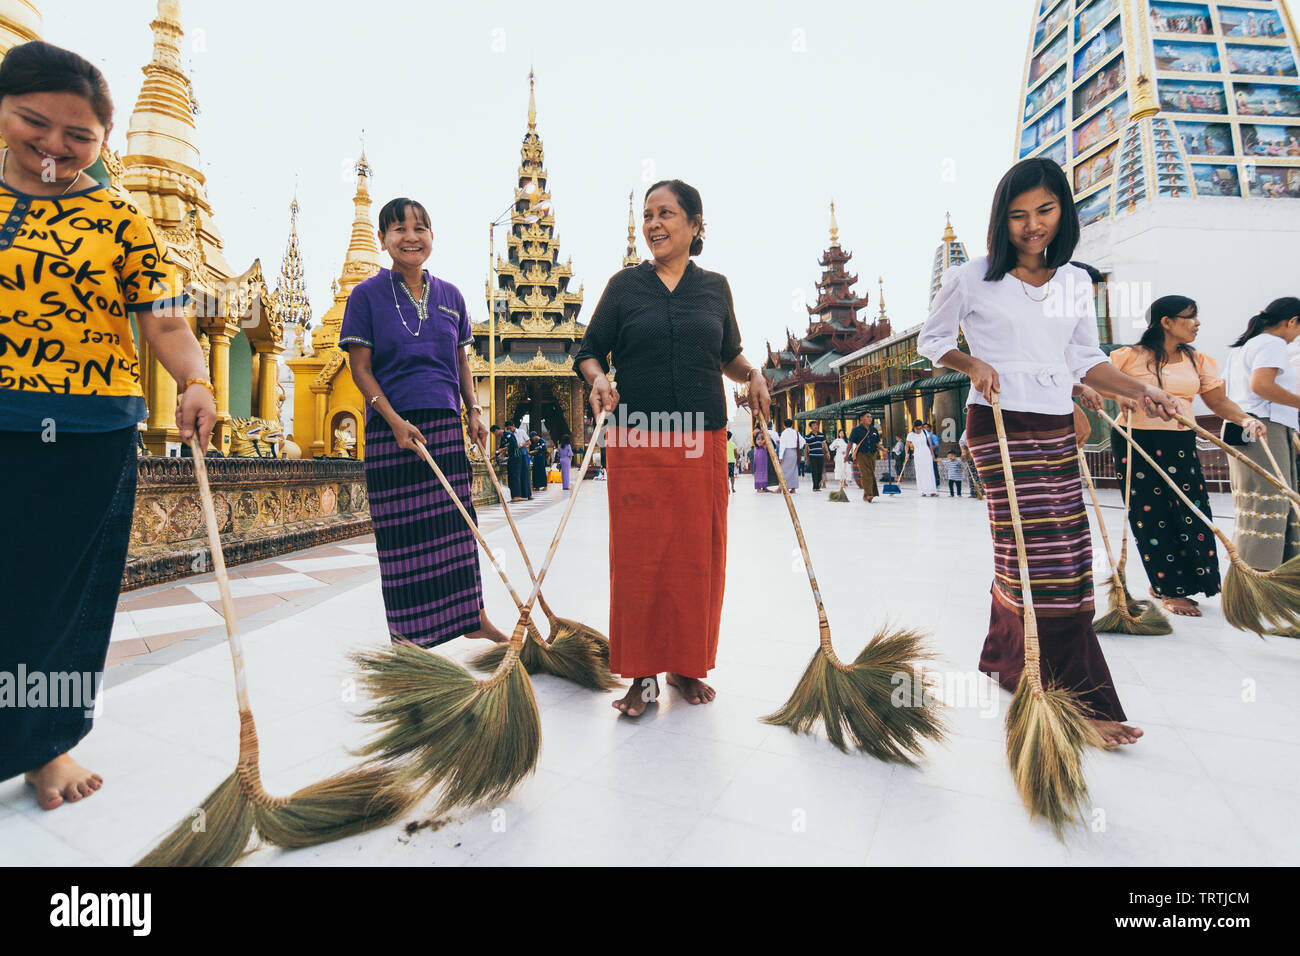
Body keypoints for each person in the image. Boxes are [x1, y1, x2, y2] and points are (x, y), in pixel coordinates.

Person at [0, 42, 214, 810]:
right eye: (34, 121)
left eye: (79, 135)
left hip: (86, 433)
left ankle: (45, 744)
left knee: (58, 595)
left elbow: (164, 321)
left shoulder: (120, 218)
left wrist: (194, 378)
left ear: (103, 141)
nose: (55, 145)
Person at [919, 156, 1181, 747]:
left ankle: (1007, 660)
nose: (1032, 225)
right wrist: (972, 362)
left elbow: (1084, 359)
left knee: (1065, 549)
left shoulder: (1074, 282)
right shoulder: (974, 276)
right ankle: (1073, 698)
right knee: (1041, 557)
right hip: (998, 422)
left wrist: (1141, 390)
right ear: (1000, 220)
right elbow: (932, 341)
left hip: (1056, 421)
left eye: (1044, 210)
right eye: (1017, 215)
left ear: (1063, 211)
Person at [575, 179, 770, 717]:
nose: (654, 225)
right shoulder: (624, 287)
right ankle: (641, 675)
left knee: (694, 558)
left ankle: (686, 664)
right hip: (637, 436)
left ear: (695, 225)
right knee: (639, 560)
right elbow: (589, 351)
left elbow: (729, 354)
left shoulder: (715, 288)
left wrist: (751, 374)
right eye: (648, 215)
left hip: (701, 438)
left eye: (666, 214)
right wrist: (596, 379)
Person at [340, 196, 507, 649]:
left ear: (432, 237)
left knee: (458, 528)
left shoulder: (451, 296)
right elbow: (360, 369)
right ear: (383, 239)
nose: (410, 237)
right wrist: (393, 419)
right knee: (404, 540)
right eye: (398, 229)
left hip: (445, 427)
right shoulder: (366, 296)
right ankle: (408, 641)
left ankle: (474, 618)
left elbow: (461, 362)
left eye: (419, 228)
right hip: (392, 432)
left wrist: (473, 410)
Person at [1109, 295, 1266, 616]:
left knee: (1192, 511)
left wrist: (1245, 419)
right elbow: (1098, 385)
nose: (1197, 323)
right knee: (1152, 514)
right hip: (1135, 440)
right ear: (1166, 322)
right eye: (1190, 317)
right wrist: (1119, 395)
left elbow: (1218, 403)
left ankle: (1180, 581)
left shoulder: (1199, 361)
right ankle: (1169, 589)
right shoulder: (1128, 357)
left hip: (1180, 442)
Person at [1223, 297, 1300, 572]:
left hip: (1246, 424)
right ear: (1291, 321)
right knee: (1271, 499)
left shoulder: (1247, 346)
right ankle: (1262, 576)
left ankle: (1274, 572)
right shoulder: (1272, 343)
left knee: (1259, 498)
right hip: (1262, 426)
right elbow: (1261, 386)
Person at [848, 412, 881, 501]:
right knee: (866, 474)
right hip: (861, 454)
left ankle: (866, 494)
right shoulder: (856, 430)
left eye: (871, 417)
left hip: (873, 454)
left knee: (871, 473)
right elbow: (850, 443)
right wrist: (846, 455)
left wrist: (884, 449)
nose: (870, 418)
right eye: (867, 417)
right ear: (861, 419)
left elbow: (877, 443)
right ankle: (869, 494)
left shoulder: (874, 429)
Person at [907, 421, 939, 496]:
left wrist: (933, 455)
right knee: (920, 472)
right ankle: (923, 491)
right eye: (917, 429)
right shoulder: (910, 435)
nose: (919, 430)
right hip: (918, 454)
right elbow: (907, 445)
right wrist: (906, 454)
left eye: (920, 428)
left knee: (930, 471)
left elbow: (930, 444)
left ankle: (932, 491)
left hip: (927, 453)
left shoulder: (924, 432)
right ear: (914, 427)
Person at [778, 418, 805, 492]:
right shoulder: (795, 432)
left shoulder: (784, 433)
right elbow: (803, 441)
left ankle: (781, 487)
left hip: (786, 452)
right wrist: (799, 448)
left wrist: (780, 457)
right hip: (794, 452)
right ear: (792, 425)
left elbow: (782, 445)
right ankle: (793, 488)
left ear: (784, 425)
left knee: (784, 470)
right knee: (794, 470)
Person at [805, 421, 827, 490]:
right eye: (814, 425)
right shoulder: (808, 436)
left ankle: (818, 484)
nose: (816, 426)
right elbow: (806, 448)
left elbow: (824, 444)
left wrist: (828, 452)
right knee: (814, 471)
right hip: (812, 456)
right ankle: (815, 487)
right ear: (811, 427)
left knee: (820, 471)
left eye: (816, 425)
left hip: (820, 455)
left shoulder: (821, 435)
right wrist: (807, 458)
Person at [752, 424, 771, 492]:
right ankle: (758, 488)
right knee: (759, 470)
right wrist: (766, 440)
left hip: (763, 452)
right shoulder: (758, 433)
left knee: (764, 470)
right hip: (759, 452)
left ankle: (764, 486)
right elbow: (758, 443)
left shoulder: (761, 433)